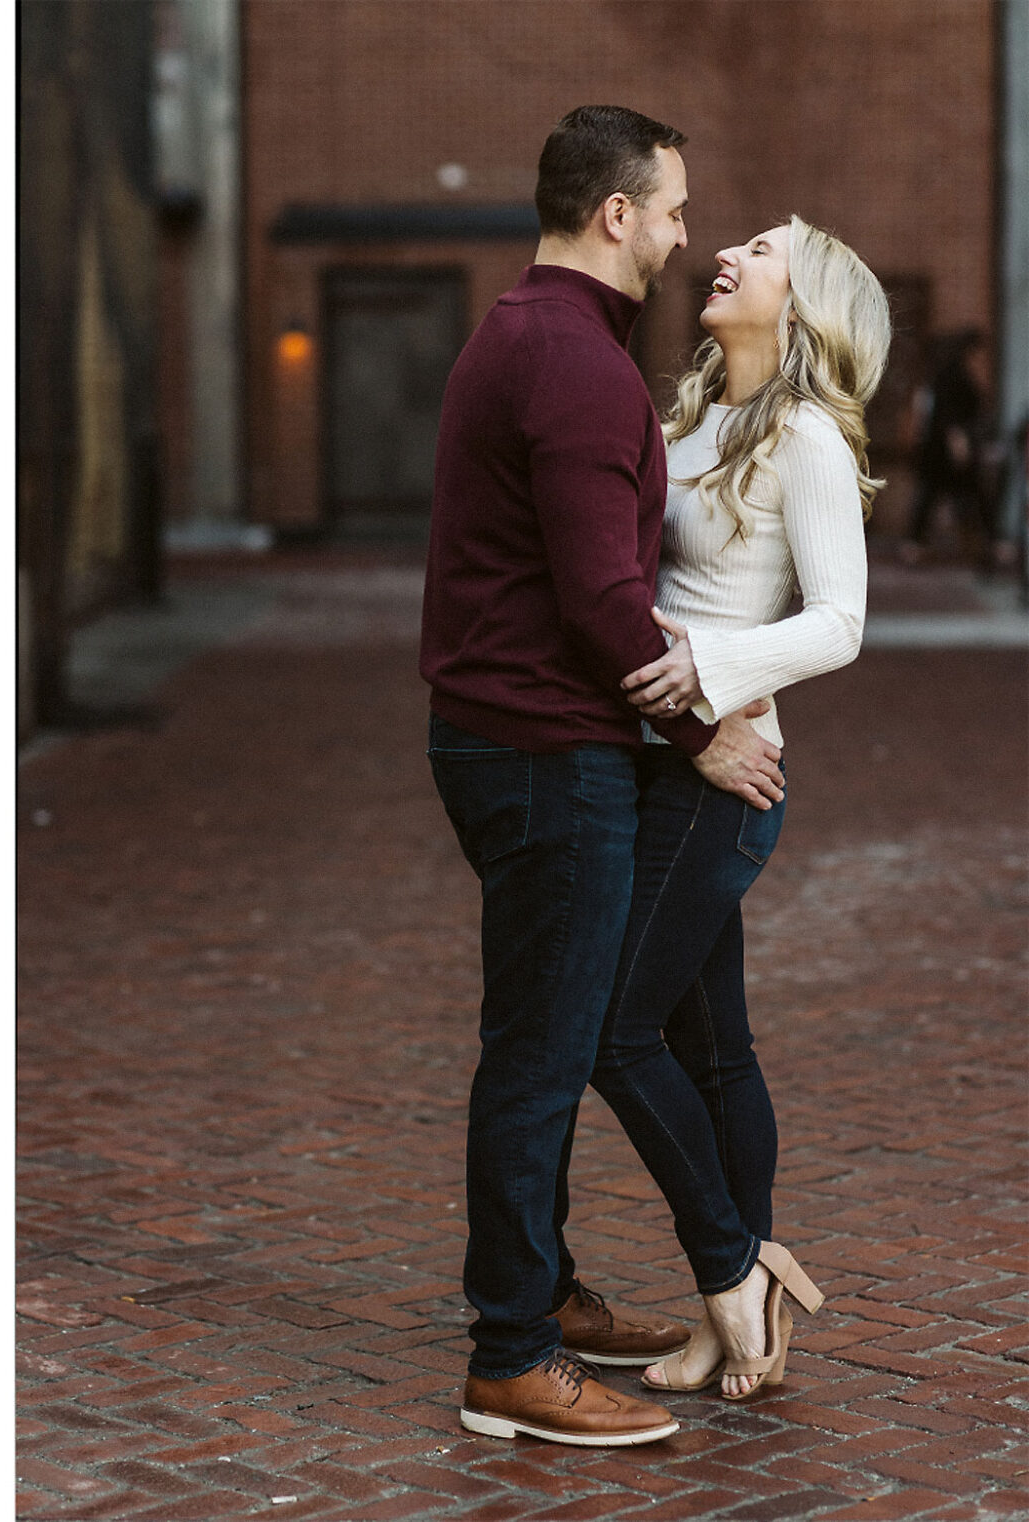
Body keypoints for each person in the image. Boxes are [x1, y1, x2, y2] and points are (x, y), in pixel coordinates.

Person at [421, 105, 787, 1447]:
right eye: (676, 209)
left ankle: (548, 1295)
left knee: (547, 1034)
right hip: (540, 751)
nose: (689, 234)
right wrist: (707, 731)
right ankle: (510, 1355)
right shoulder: (570, 359)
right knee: (541, 1049)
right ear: (616, 213)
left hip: (517, 738)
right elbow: (597, 594)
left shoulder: (535, 335)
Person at [594, 216, 889, 1401]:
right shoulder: (690, 415)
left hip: (725, 769)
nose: (725, 254)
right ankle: (735, 1309)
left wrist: (698, 668)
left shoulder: (807, 440)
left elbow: (839, 620)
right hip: (662, 759)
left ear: (801, 300)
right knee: (714, 1050)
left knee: (617, 1033)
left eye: (760, 250)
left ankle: (731, 1264)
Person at [898, 330, 993, 565]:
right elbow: (946, 414)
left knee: (942, 494)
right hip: (946, 452)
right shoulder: (954, 375)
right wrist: (957, 440)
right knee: (949, 493)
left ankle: (981, 541)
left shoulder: (949, 375)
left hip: (942, 451)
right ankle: (983, 542)